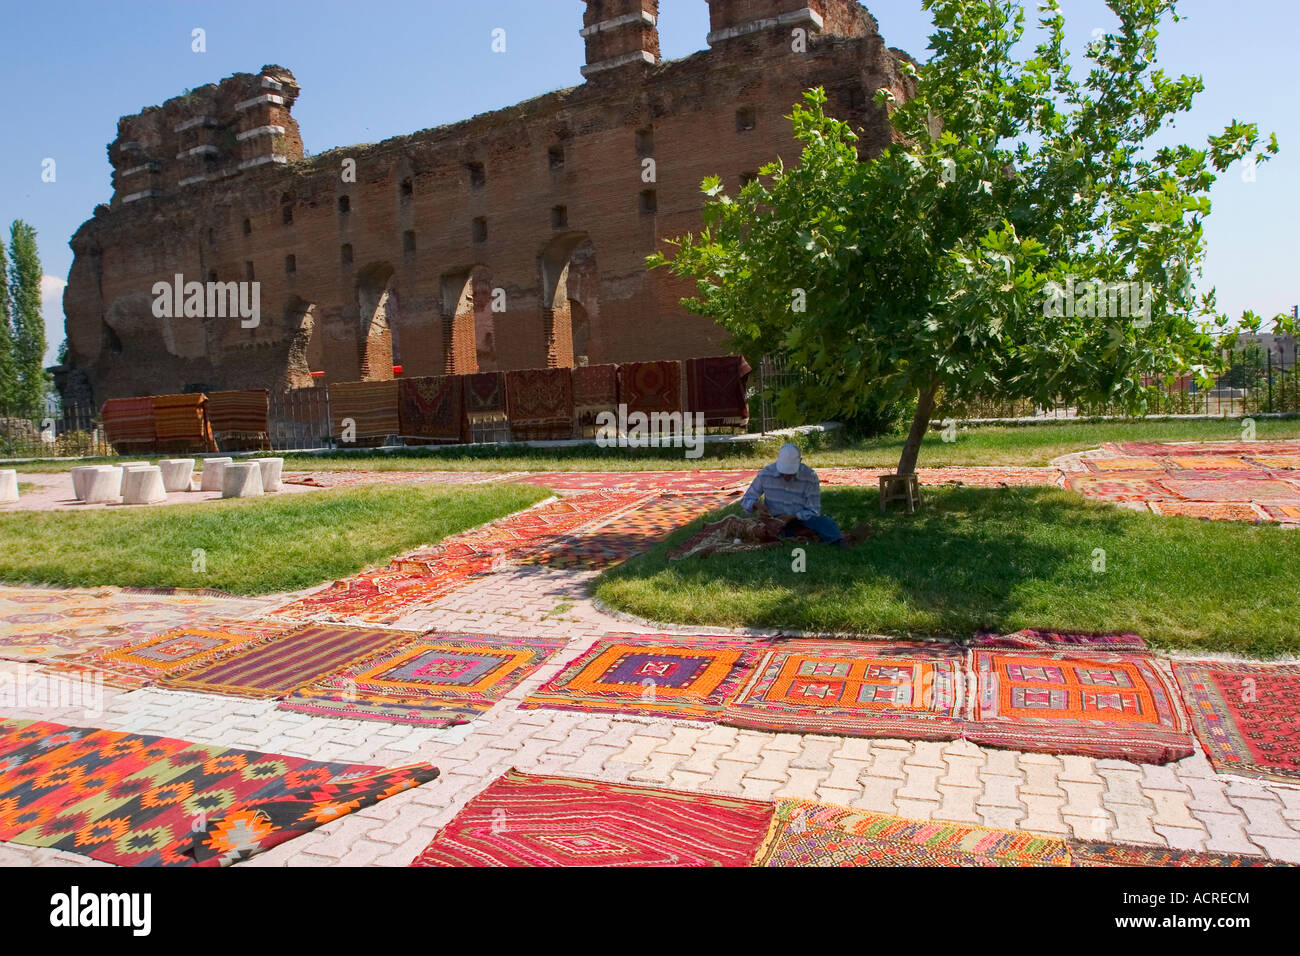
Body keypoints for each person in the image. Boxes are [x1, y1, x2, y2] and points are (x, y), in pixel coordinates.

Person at [740, 442, 846, 547]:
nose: (786, 476)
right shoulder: (766, 474)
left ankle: (839, 542)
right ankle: (797, 533)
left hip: (800, 519)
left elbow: (814, 510)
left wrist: (792, 516)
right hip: (773, 521)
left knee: (824, 522)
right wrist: (757, 505)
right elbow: (746, 499)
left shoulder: (810, 476)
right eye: (783, 473)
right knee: (754, 528)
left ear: (800, 462)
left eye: (790, 473)